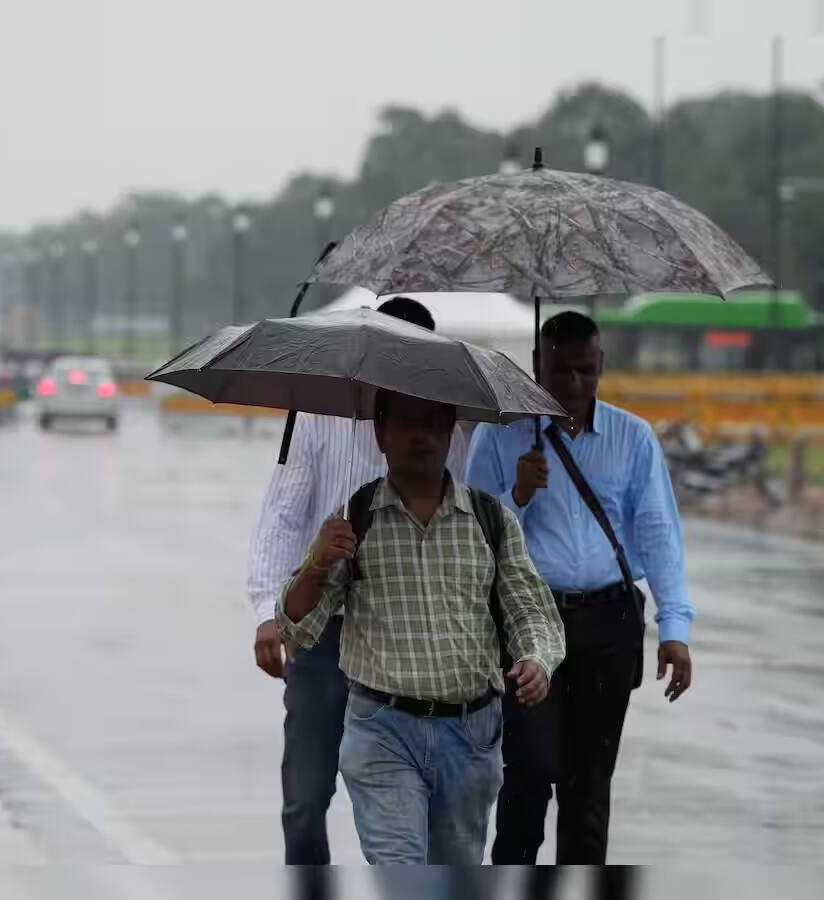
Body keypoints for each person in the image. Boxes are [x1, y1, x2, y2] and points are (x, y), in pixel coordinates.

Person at [277, 391, 565, 865]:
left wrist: (536, 659)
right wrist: (315, 564)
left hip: (471, 737)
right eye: (410, 423)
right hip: (382, 732)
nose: (424, 436)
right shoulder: (356, 519)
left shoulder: (492, 520)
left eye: (436, 423)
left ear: (451, 431)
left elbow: (530, 611)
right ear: (381, 434)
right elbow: (297, 628)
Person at [246, 297, 470, 866]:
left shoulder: (450, 429)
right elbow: (282, 517)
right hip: (324, 636)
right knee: (307, 795)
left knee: (412, 797)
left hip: (412, 637)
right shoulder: (316, 417)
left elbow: (467, 526)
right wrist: (266, 614)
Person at [465, 311, 694, 865]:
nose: (573, 384)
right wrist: (515, 492)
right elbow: (469, 534)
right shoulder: (499, 435)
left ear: (601, 367)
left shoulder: (633, 438)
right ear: (537, 367)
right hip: (528, 622)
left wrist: (675, 627)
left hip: (608, 620)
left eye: (585, 371)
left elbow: (659, 532)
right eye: (561, 370)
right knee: (529, 773)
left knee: (589, 786)